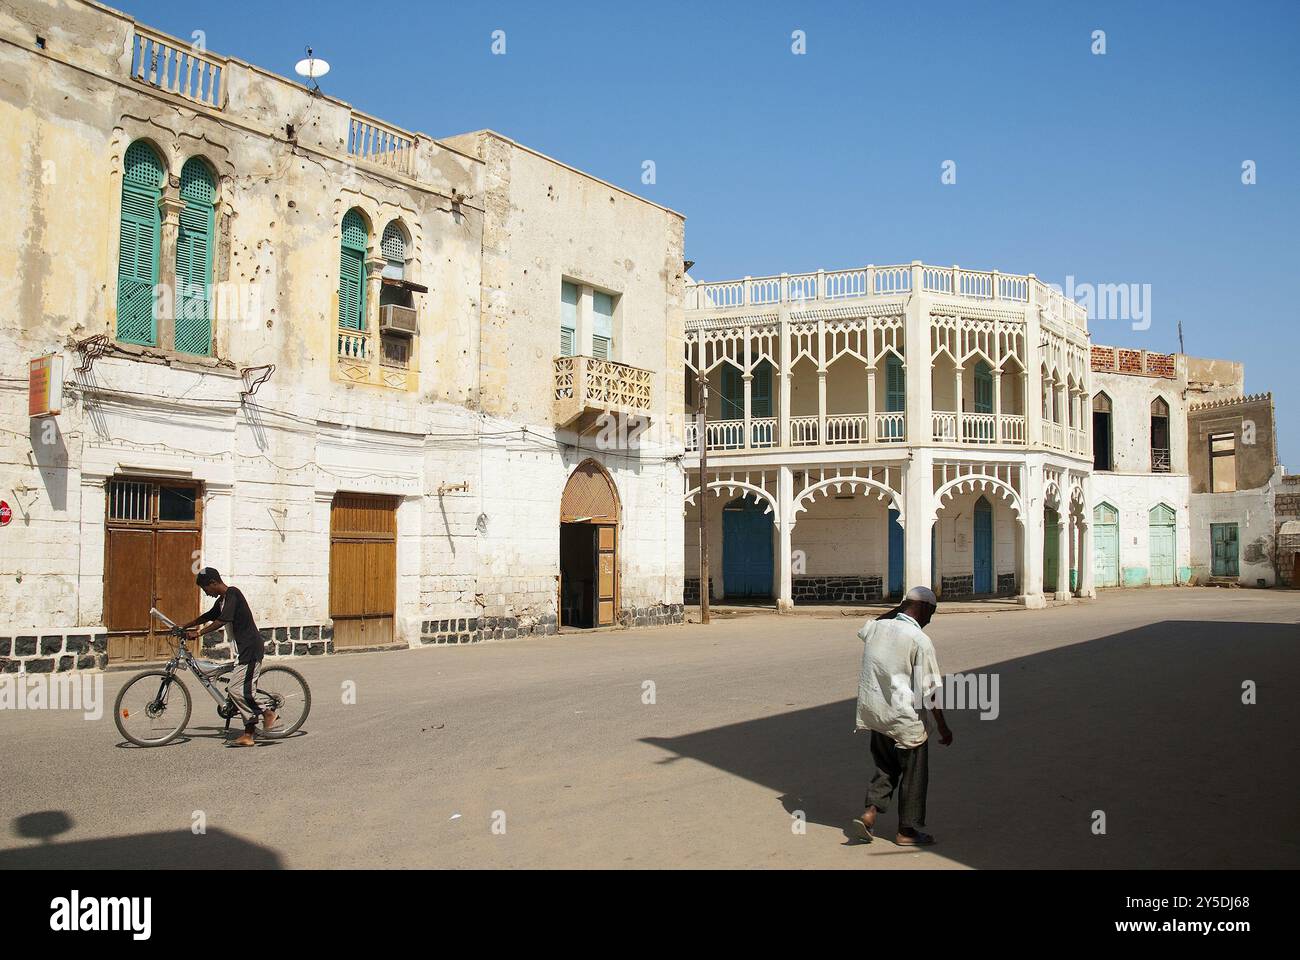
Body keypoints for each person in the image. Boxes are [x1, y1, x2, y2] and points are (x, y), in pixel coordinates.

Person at [850, 585, 952, 845]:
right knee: (914, 775)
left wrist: (902, 607)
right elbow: (929, 691)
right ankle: (907, 831)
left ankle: (870, 812)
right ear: (924, 608)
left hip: (877, 715)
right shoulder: (920, 641)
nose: (931, 619)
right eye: (932, 612)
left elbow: (876, 622)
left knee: (885, 767)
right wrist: (942, 727)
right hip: (906, 720)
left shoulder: (877, 628)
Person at [183, 567, 276, 747]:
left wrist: (199, 633)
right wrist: (186, 626)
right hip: (242, 650)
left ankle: (268, 713)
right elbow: (209, 616)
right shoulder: (222, 601)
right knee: (238, 691)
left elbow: (222, 620)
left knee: (236, 690)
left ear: (213, 583)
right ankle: (248, 735)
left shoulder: (233, 594)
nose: (206, 593)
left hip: (250, 648)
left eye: (205, 589)